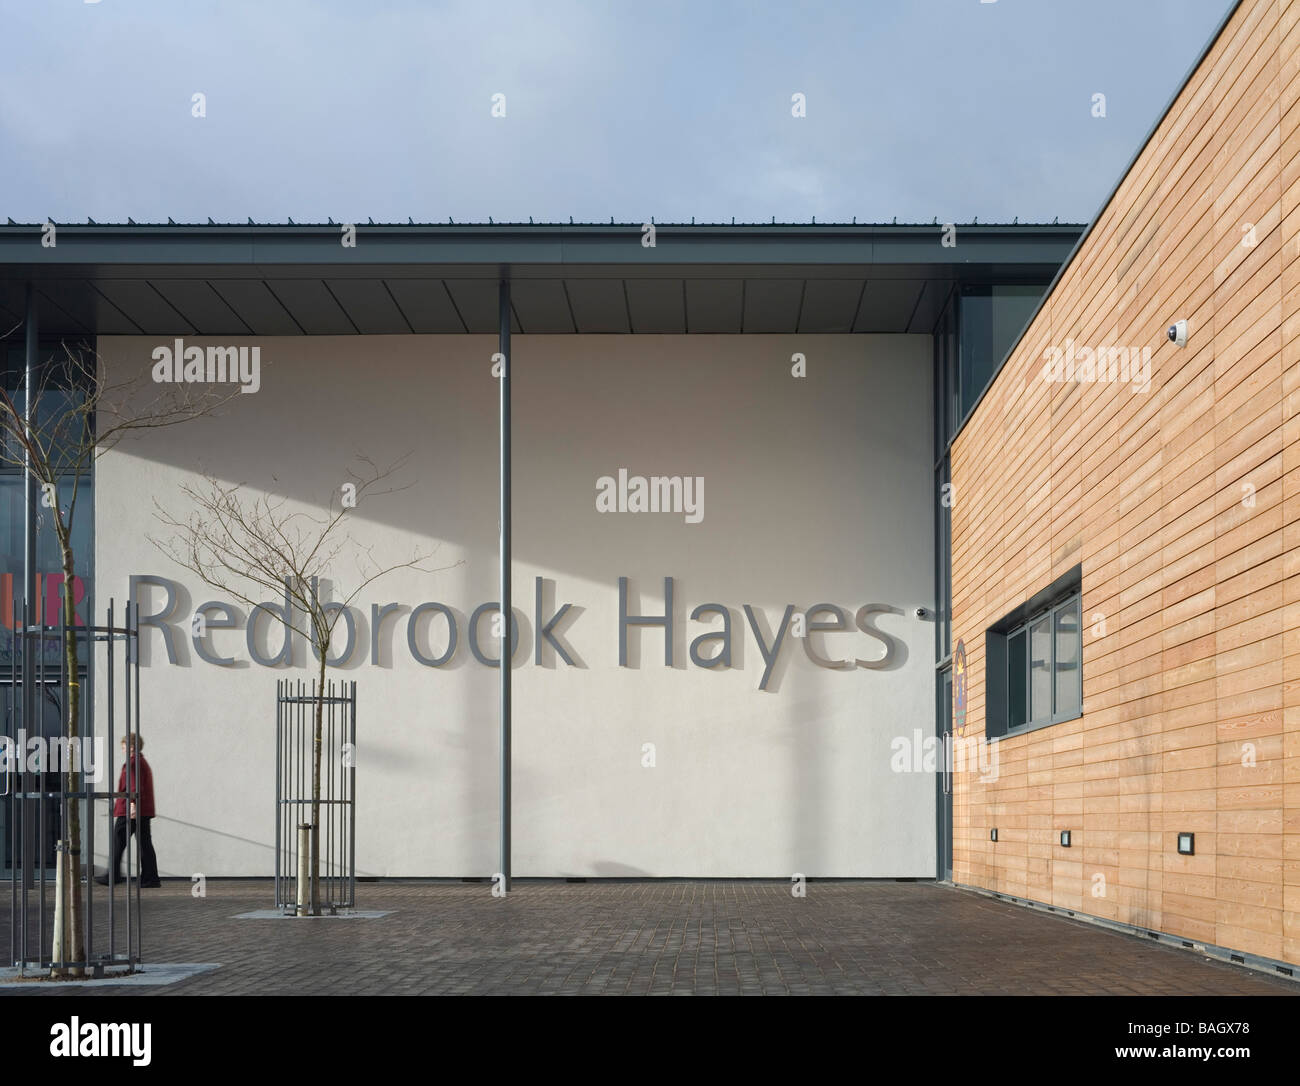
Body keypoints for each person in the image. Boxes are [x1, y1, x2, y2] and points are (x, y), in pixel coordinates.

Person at [95, 734, 160, 888]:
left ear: (131, 747)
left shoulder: (133, 764)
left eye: (124, 745)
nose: (122, 748)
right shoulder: (141, 762)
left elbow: (133, 787)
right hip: (142, 809)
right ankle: (151, 878)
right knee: (144, 843)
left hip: (130, 810)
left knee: (118, 841)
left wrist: (131, 805)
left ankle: (113, 875)